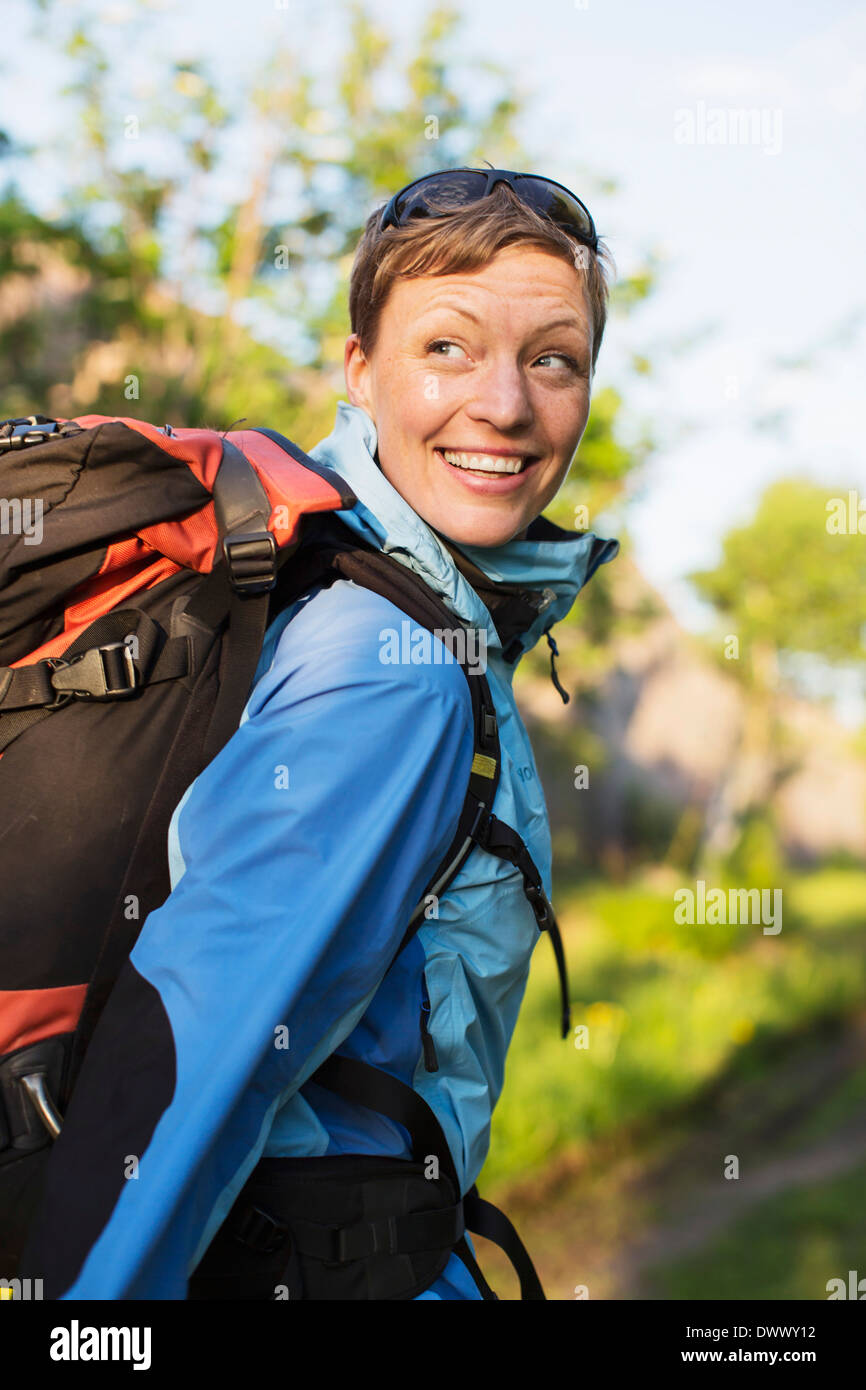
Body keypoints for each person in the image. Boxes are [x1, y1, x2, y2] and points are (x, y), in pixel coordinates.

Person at [24, 166, 620, 1299]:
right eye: (446, 348)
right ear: (358, 370)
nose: (503, 405)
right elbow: (201, 1053)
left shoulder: (376, 592)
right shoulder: (389, 662)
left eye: (551, 357)